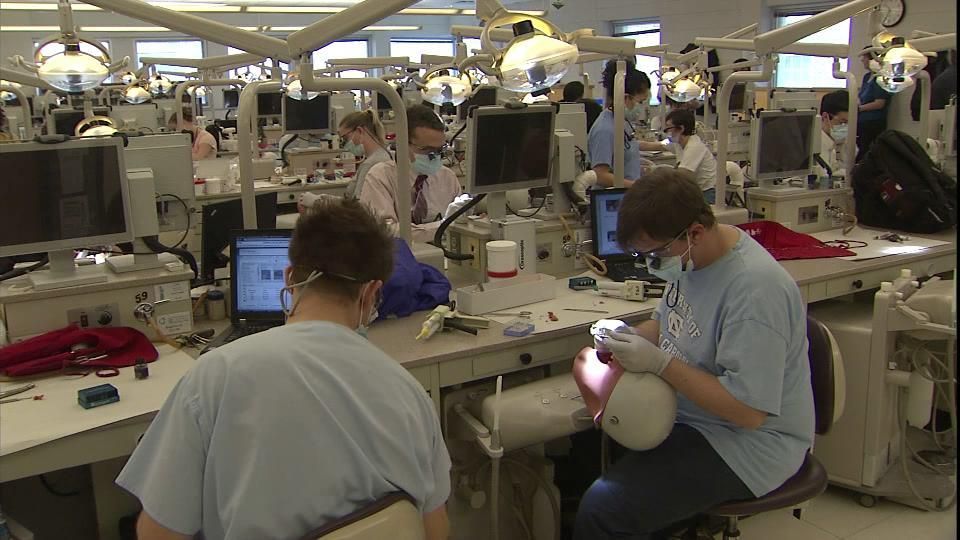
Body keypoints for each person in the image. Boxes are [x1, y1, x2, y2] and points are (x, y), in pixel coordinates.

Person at [116, 197, 452, 540]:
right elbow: (435, 531)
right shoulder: (408, 393)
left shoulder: (215, 375)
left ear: (289, 277)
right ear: (371, 293)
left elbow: (157, 534)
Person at [572, 168, 814, 539]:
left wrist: (659, 363)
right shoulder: (691, 258)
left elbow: (747, 412)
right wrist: (627, 337)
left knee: (603, 509)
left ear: (695, 232)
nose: (651, 263)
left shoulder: (755, 292)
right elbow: (668, 324)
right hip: (692, 416)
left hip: (747, 444)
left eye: (653, 253)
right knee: (577, 458)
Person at [360, 104, 461, 240]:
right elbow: (386, 232)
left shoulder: (447, 178)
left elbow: (460, 223)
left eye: (439, 151)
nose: (435, 157)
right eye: (428, 150)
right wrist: (443, 227)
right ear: (403, 144)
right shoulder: (380, 177)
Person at [588, 60, 652, 188]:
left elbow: (626, 148)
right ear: (625, 98)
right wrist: (637, 187)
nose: (643, 108)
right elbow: (600, 176)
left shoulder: (621, 122)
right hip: (612, 201)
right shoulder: (604, 129)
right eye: (641, 102)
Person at [662, 109, 717, 203]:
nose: (667, 132)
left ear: (681, 128)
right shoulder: (677, 141)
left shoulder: (694, 146)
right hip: (694, 190)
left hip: (706, 193)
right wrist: (633, 144)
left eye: (668, 128)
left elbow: (681, 175)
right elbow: (658, 145)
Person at [338, 110, 392, 200]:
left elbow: (356, 206)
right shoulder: (383, 155)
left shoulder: (371, 164)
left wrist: (319, 202)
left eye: (345, 138)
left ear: (359, 131)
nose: (345, 145)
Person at [856, 47, 891, 162]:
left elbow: (880, 103)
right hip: (861, 121)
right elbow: (861, 97)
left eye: (864, 57)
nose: (862, 60)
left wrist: (859, 109)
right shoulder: (867, 77)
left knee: (867, 152)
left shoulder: (881, 77)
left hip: (873, 123)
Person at [815, 90, 850, 178]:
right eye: (843, 122)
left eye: (851, 123)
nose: (846, 127)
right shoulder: (814, 146)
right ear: (825, 117)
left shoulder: (844, 143)